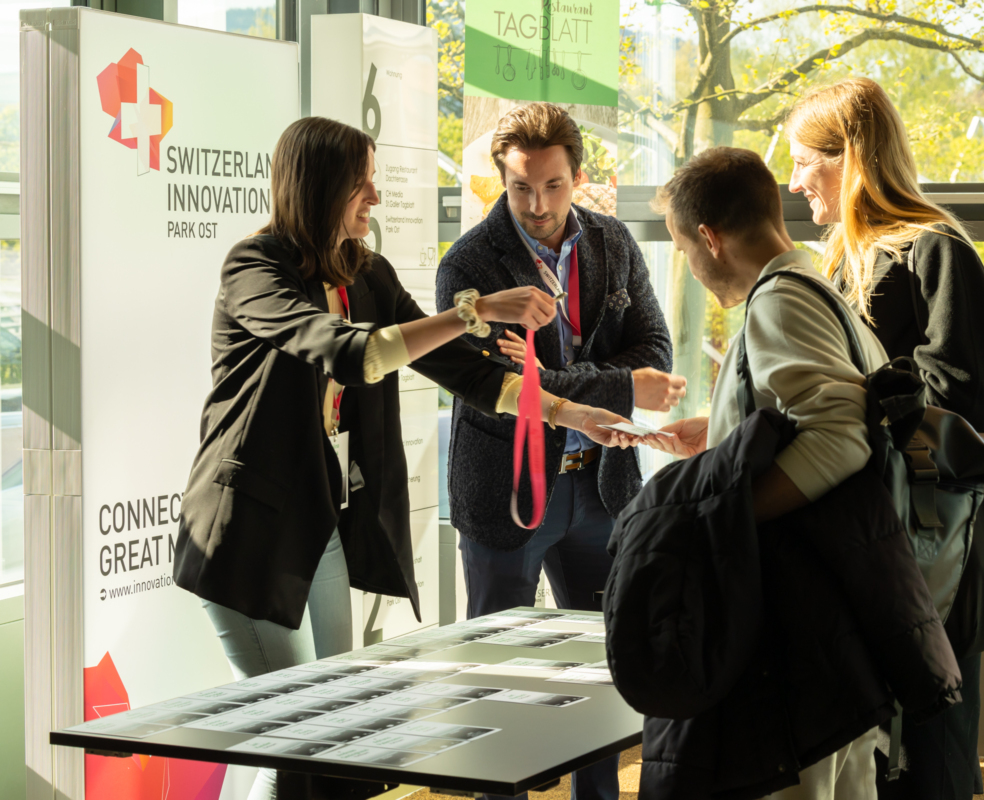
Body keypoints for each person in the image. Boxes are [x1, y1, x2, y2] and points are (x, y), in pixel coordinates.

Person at [173, 116, 630, 800]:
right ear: (320, 187)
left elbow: (464, 372)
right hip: (246, 530)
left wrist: (573, 414)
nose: (375, 197)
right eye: (361, 184)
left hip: (317, 519)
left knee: (336, 721)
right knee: (296, 731)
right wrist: (476, 311)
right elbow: (353, 355)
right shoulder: (255, 268)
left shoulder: (366, 272)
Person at [436, 102, 681, 800]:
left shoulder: (612, 242)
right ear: (501, 180)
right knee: (498, 677)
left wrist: (570, 378)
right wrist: (623, 384)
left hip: (602, 486)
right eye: (520, 187)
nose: (537, 205)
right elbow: (504, 387)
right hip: (508, 491)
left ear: (578, 175)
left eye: (552, 185)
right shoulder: (468, 267)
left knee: (600, 670)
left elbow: (656, 352)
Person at [783, 76, 984, 800]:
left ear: (849, 158)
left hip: (927, 531)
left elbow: (961, 391)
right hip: (875, 524)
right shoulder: (843, 255)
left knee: (933, 721)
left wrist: (859, 400)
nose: (794, 182)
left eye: (804, 162)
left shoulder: (933, 249)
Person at [639, 146, 889, 800]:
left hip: (802, 631)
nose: (691, 267)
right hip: (839, 629)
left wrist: (725, 517)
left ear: (709, 238)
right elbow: (814, 416)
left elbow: (840, 437)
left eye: (683, 249)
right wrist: (725, 433)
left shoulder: (778, 304)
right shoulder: (820, 292)